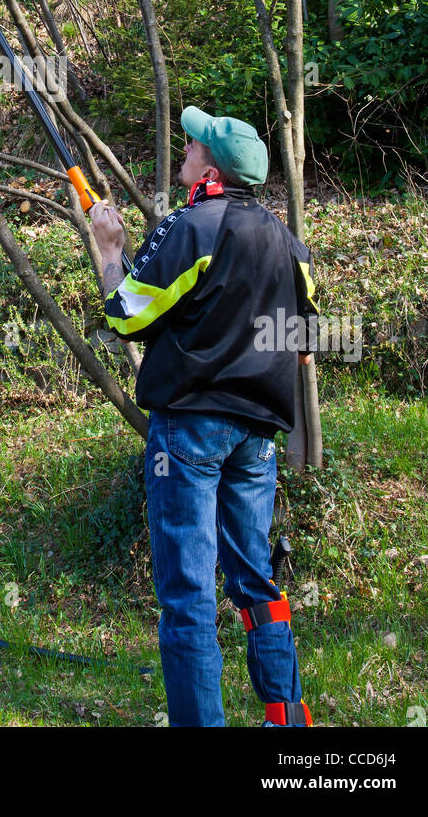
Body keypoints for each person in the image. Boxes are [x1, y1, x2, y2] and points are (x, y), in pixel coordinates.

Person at [91, 106, 316, 728]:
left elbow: (126, 314)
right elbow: (303, 342)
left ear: (210, 168)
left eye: (190, 146)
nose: (183, 150)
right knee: (256, 582)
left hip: (188, 429)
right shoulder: (289, 246)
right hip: (258, 437)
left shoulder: (190, 226)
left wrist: (110, 249)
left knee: (188, 595)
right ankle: (286, 718)